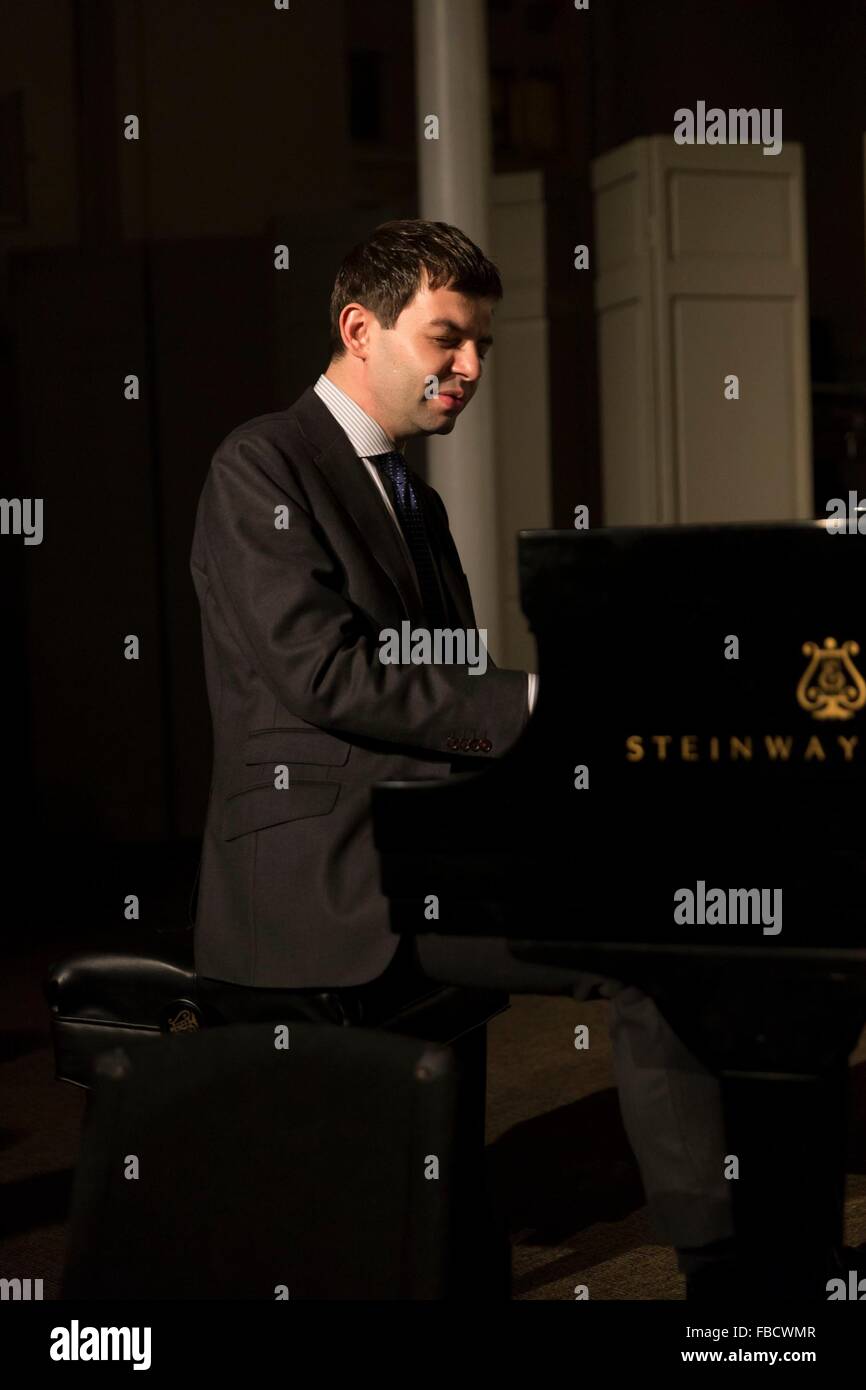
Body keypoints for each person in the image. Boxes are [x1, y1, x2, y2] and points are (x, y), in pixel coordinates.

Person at [189, 217, 734, 1292]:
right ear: (358, 326)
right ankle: (721, 1266)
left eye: (481, 344)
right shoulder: (259, 463)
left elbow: (443, 700)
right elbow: (329, 676)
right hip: (325, 879)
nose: (470, 368)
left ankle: (725, 1255)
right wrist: (544, 699)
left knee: (668, 932)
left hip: (426, 861)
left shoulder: (416, 502)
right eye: (447, 340)